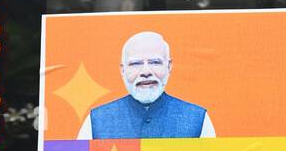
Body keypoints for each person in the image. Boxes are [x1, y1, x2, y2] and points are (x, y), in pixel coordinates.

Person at [78, 31, 215, 139]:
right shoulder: (96, 120)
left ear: (169, 66)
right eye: (135, 64)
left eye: (155, 62)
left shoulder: (198, 119)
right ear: (123, 70)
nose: (146, 72)